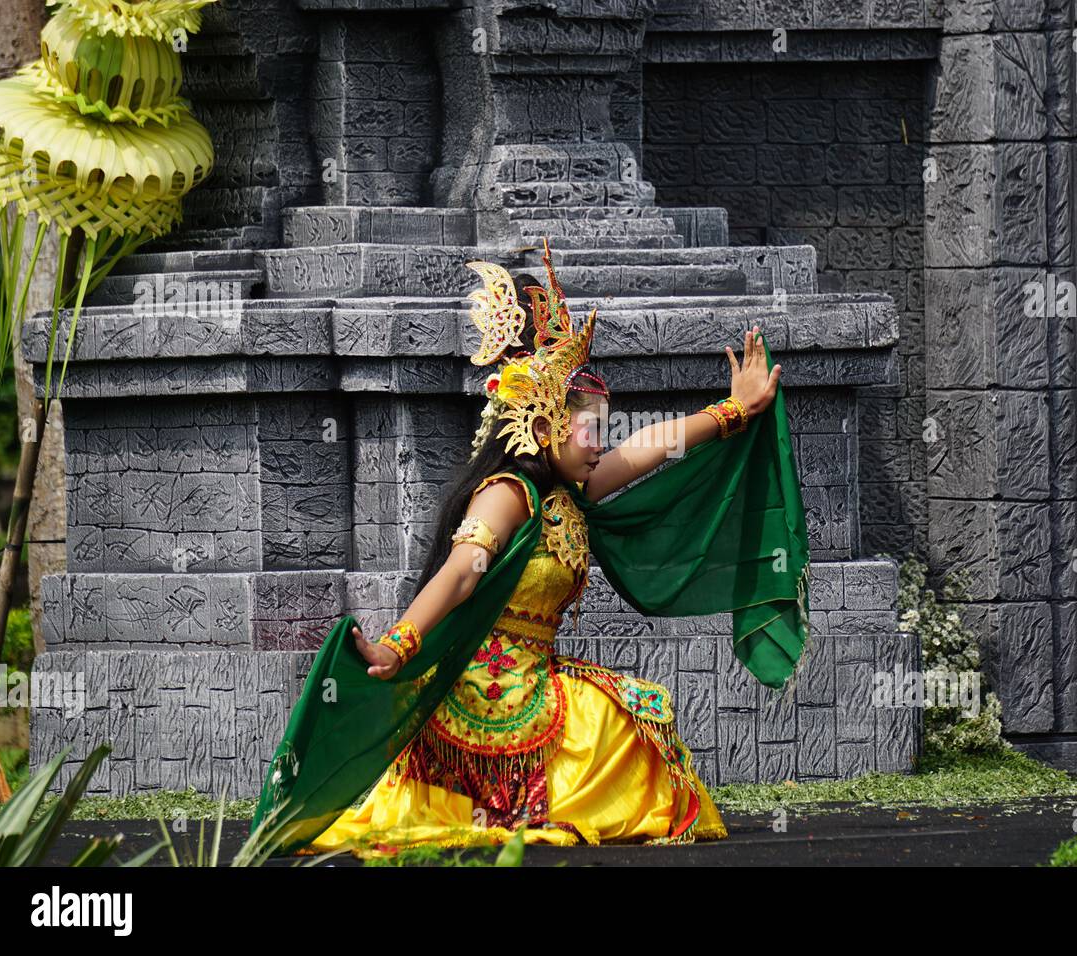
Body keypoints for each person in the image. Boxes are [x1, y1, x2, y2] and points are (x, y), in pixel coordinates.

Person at [251, 238, 808, 858]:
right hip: (483, 693)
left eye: (603, 428)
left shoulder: (571, 487)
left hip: (535, 680)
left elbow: (652, 445)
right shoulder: (508, 493)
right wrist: (397, 643)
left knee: (643, 712)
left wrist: (735, 408)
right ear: (544, 427)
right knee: (622, 720)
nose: (602, 442)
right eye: (591, 429)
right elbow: (463, 573)